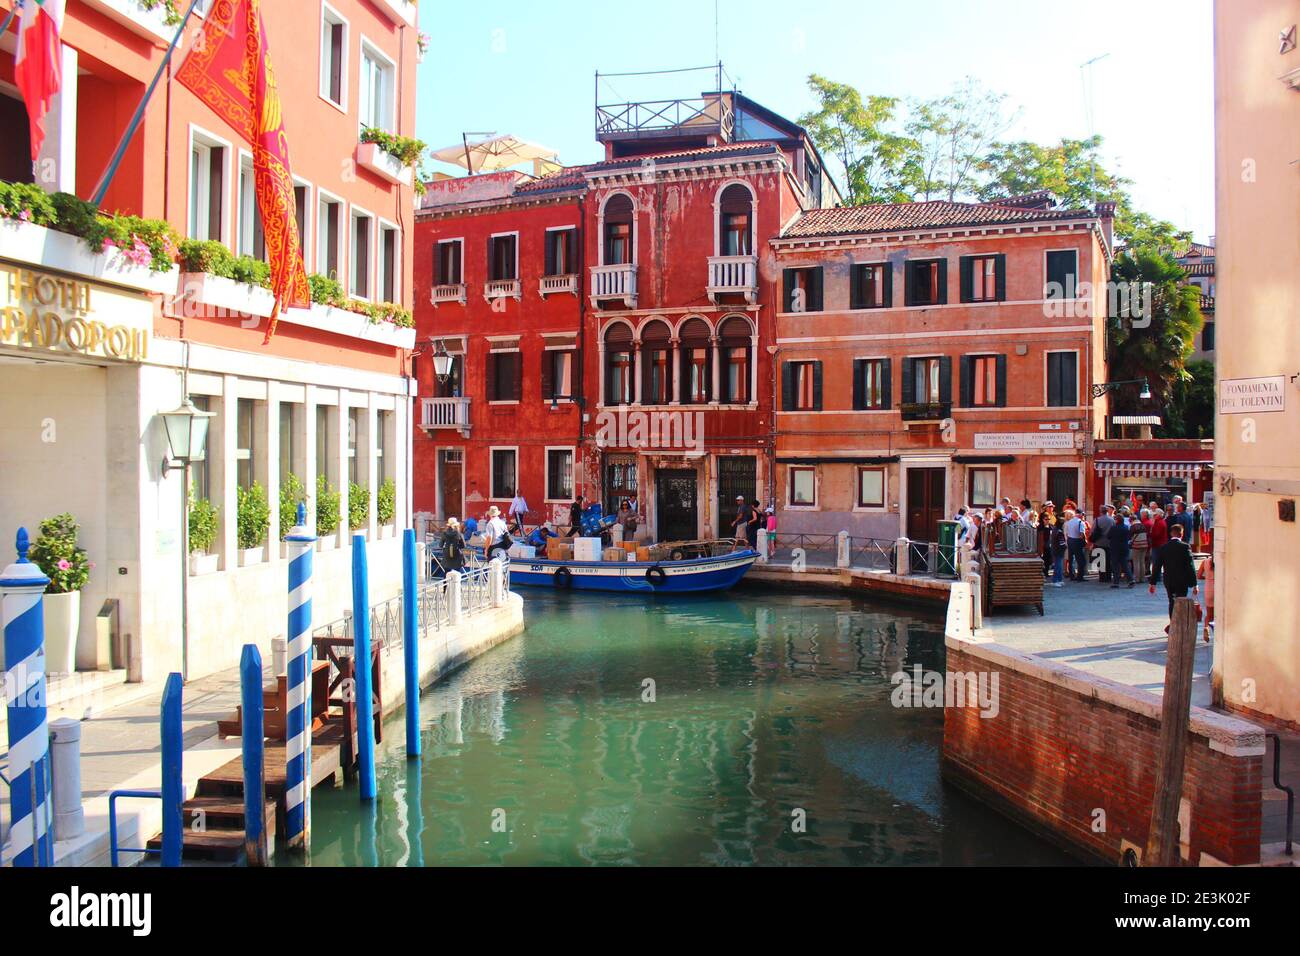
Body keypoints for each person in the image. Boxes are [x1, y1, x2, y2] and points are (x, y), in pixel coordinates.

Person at [1149, 525, 1199, 630]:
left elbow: (1157, 566)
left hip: (1169, 580)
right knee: (1181, 601)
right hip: (1182, 580)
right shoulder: (1185, 547)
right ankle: (1180, 624)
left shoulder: (1164, 547)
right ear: (1181, 533)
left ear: (1171, 533)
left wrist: (1152, 583)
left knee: (1171, 601)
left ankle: (1173, 623)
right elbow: (1190, 566)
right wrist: (1195, 584)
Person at [1108, 507, 1134, 588]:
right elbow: (1129, 536)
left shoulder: (1113, 528)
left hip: (1115, 548)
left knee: (1116, 566)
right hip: (1124, 548)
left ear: (1117, 520)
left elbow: (1109, 536)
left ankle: (1116, 582)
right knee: (1125, 565)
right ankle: (1131, 580)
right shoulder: (1126, 527)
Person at [1091, 504, 1115, 583]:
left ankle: (1102, 577)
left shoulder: (1097, 520)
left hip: (1099, 542)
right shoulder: (1112, 520)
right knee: (1108, 560)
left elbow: (1092, 531)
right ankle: (1108, 577)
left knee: (1100, 561)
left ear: (1100, 512)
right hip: (1109, 543)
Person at [1065, 508, 1088, 581]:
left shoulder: (1069, 522)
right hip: (1077, 541)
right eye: (1083, 514)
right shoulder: (1081, 522)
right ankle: (1080, 577)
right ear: (1080, 514)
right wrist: (1085, 541)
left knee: (1071, 559)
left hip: (1070, 540)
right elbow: (1081, 534)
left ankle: (1072, 576)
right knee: (1081, 560)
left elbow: (1067, 533)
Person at [1148, 507, 1169, 586]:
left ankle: (1157, 576)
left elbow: (1156, 534)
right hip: (1159, 544)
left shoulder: (1160, 523)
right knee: (1157, 561)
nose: (1153, 516)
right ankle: (1157, 576)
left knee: (1156, 561)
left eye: (1155, 515)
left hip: (1158, 544)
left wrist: (1150, 534)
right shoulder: (1159, 522)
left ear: (1159, 515)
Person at [1129, 509, 1149, 584]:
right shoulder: (1143, 525)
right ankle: (1142, 578)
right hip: (1145, 544)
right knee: (1142, 561)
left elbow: (1130, 536)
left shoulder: (1133, 526)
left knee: (1136, 562)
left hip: (1137, 545)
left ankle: (1137, 578)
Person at [1197, 555, 1215, 642]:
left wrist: (1207, 578)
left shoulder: (1205, 561)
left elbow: (1199, 575)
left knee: (1209, 614)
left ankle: (1206, 627)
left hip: (1209, 588)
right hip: (1219, 587)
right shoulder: (1221, 561)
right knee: (1220, 614)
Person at [1049, 517, 1066, 587]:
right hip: (1058, 551)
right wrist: (1065, 546)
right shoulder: (1059, 531)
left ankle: (1059, 579)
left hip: (1056, 550)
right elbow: (1061, 543)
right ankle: (1055, 580)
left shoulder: (1055, 530)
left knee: (1059, 566)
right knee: (1058, 566)